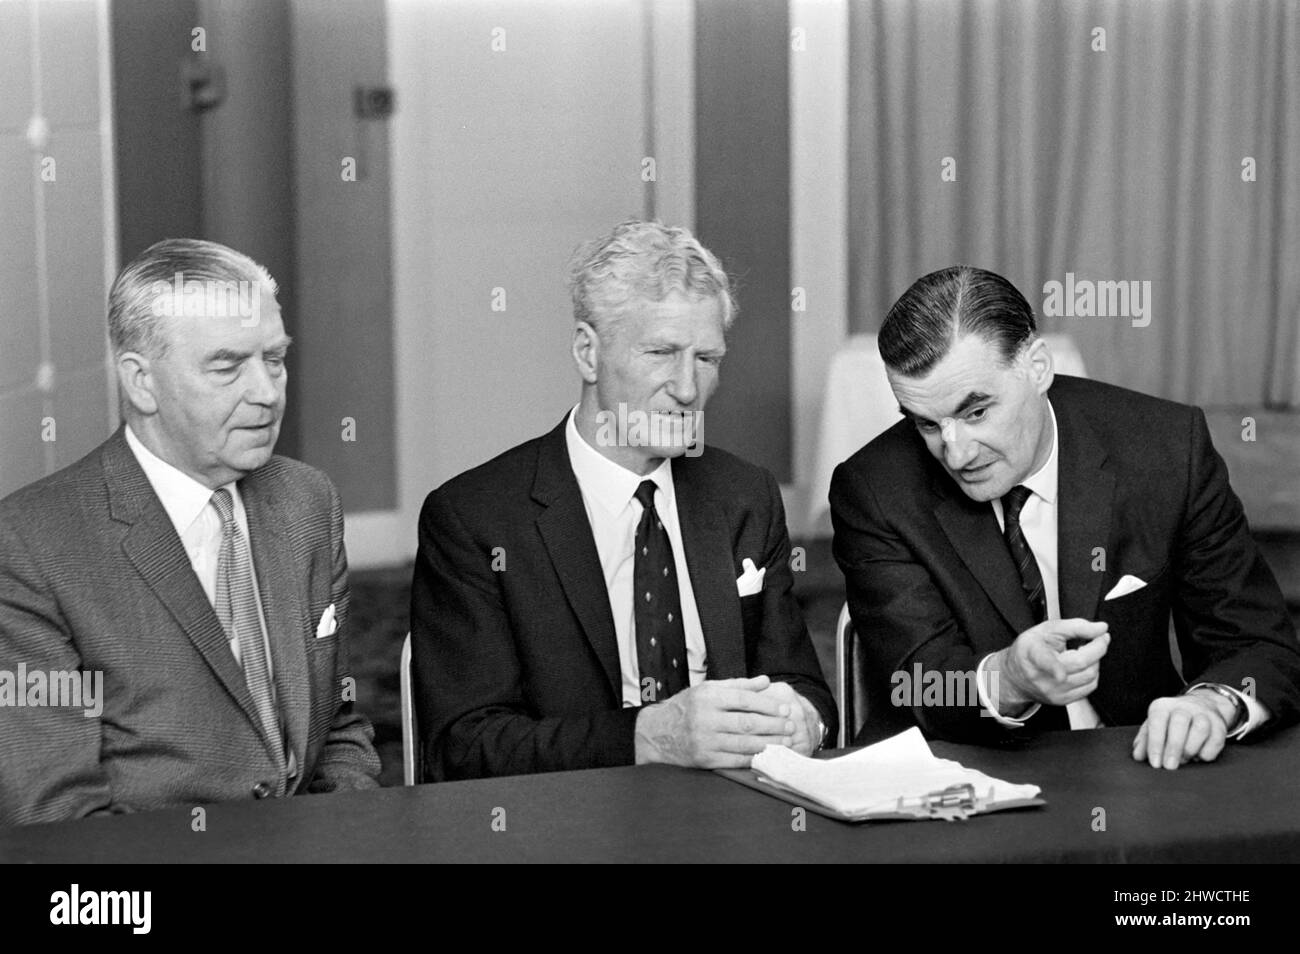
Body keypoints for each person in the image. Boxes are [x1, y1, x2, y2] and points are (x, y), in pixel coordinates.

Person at [411, 220, 836, 780]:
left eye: (707, 359)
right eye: (661, 352)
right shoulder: (478, 520)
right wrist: (650, 737)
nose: (688, 389)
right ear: (588, 354)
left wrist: (804, 719)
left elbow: (803, 684)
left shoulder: (744, 499)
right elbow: (465, 746)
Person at [830, 265, 1300, 769]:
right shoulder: (875, 489)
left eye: (976, 413)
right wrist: (1008, 679)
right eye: (927, 424)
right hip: (966, 776)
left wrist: (1212, 704)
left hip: (1141, 766)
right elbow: (915, 681)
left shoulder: (1165, 449)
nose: (956, 453)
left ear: (1036, 367)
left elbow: (1255, 642)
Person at [0, 238, 380, 825]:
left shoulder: (307, 502)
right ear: (141, 383)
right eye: (228, 366)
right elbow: (57, 816)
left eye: (274, 359)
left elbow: (338, 728)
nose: (267, 392)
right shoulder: (32, 547)